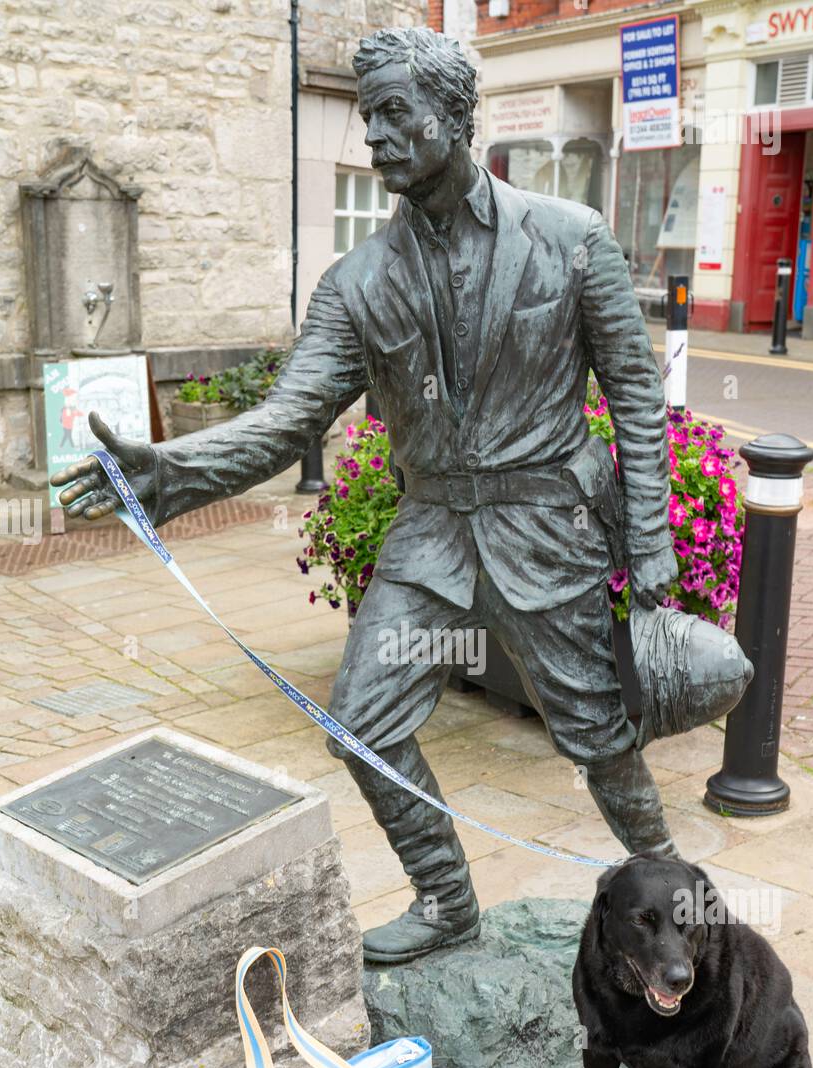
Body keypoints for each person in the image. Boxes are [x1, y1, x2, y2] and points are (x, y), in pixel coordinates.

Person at [52, 27, 678, 964]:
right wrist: (171, 471)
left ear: (455, 116)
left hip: (546, 532)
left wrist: (649, 535)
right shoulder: (355, 282)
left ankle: (679, 907)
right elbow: (289, 415)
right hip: (430, 538)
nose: (374, 137)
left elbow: (634, 393)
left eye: (393, 113)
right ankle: (445, 895)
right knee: (364, 720)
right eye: (365, 116)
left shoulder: (570, 238)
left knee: (597, 740)